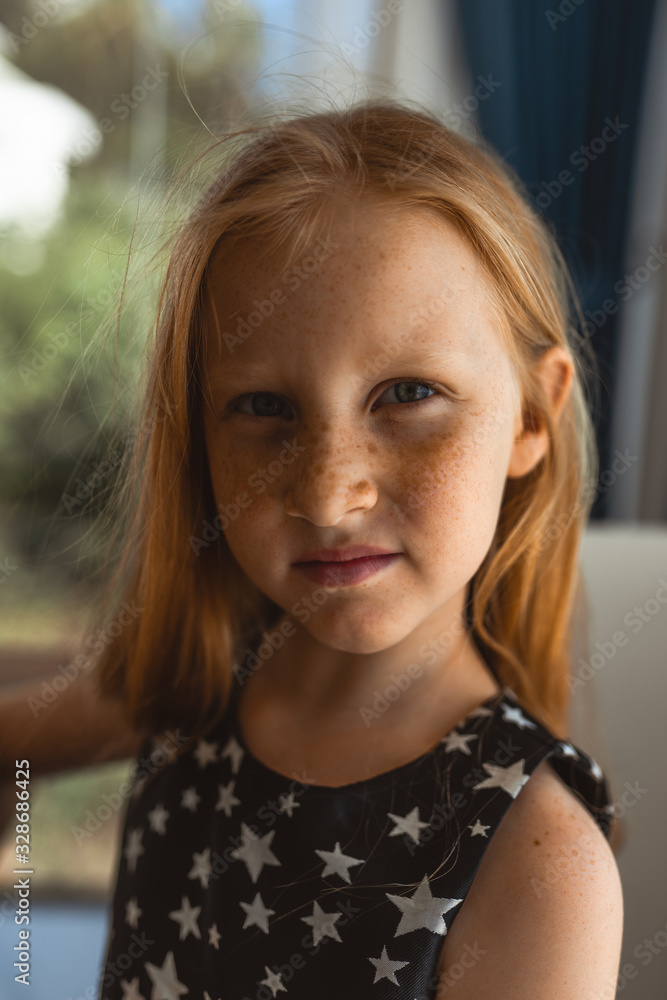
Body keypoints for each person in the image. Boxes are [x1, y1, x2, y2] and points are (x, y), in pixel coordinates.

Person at [7, 98, 624, 999]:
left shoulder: (537, 863)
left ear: (531, 416)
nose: (329, 496)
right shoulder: (190, 687)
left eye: (408, 392)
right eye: (263, 407)